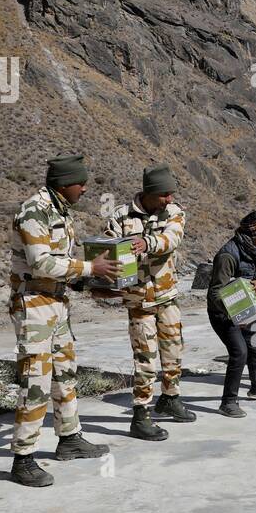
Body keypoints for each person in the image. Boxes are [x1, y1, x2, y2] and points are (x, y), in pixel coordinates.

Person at [7, 154, 118, 487]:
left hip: (57, 302)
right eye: (80, 183)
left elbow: (63, 262)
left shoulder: (60, 211)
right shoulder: (33, 212)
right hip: (34, 305)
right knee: (36, 381)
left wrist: (91, 285)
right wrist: (89, 269)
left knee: (65, 374)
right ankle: (23, 459)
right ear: (64, 183)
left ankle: (69, 437)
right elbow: (40, 262)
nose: (84, 188)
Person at [104, 165, 190, 441]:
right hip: (138, 300)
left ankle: (170, 397)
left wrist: (147, 242)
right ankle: (141, 415)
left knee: (174, 352)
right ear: (150, 193)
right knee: (146, 361)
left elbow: (172, 239)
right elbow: (107, 248)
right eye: (165, 194)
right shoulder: (121, 216)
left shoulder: (174, 212)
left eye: (170, 194)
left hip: (167, 296)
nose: (169, 199)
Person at [208, 211, 256, 417]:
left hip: (247, 310)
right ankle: (228, 402)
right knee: (239, 352)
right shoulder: (228, 254)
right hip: (223, 314)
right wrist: (234, 314)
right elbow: (214, 293)